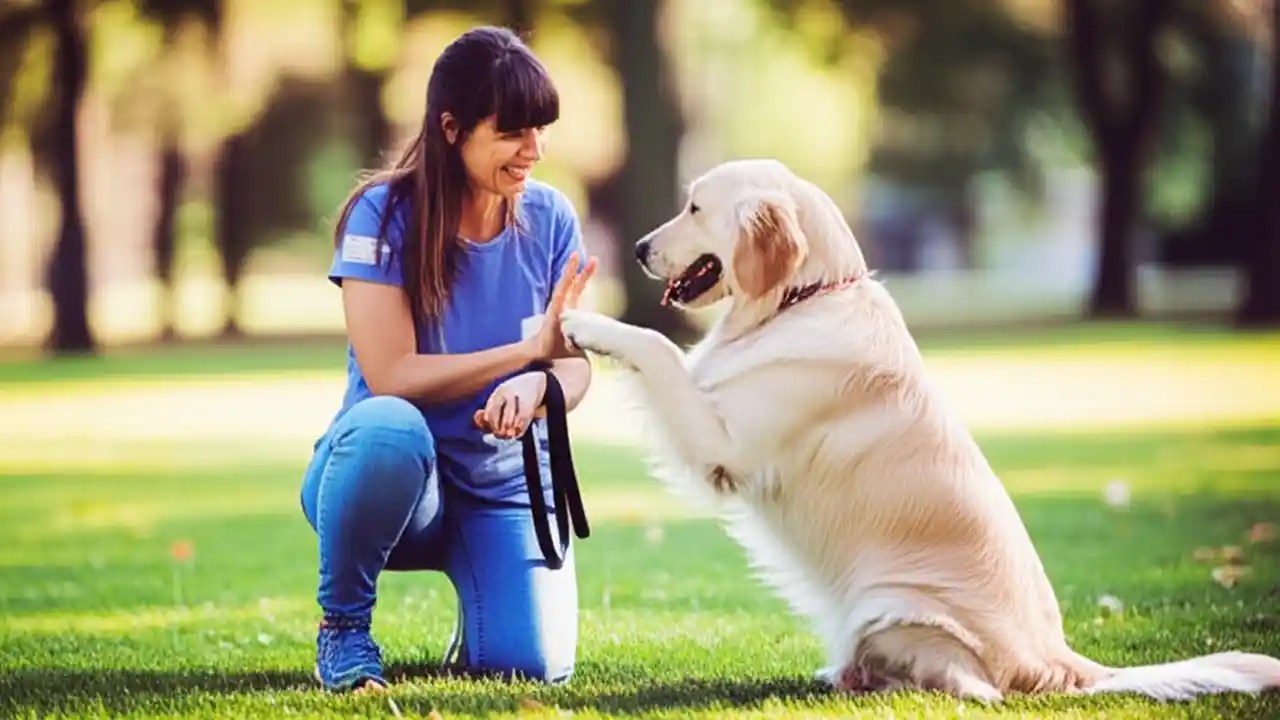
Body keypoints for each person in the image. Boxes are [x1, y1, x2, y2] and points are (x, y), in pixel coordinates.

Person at [299, 25, 599, 694]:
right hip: (397, 484)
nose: (534, 150)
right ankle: (343, 629)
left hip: (503, 487)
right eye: (514, 131)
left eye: (541, 129)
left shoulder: (552, 219)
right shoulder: (381, 215)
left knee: (530, 667)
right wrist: (525, 355)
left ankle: (486, 615)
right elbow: (392, 375)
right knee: (388, 427)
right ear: (452, 127)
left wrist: (539, 390)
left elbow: (574, 363)